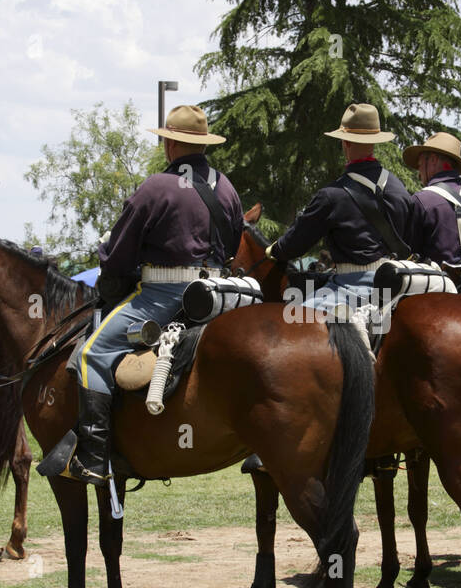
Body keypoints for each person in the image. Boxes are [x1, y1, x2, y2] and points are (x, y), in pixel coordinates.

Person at [63, 104, 244, 484]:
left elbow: (118, 256)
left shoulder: (156, 186)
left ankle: (95, 459)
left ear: (169, 145)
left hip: (163, 296)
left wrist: (108, 259)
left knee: (91, 355)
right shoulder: (226, 187)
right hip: (216, 295)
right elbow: (233, 244)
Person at [268, 103, 413, 312]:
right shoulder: (399, 188)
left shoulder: (332, 195)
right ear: (375, 141)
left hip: (351, 287)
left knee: (296, 319)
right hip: (397, 286)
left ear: (345, 142)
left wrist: (275, 249)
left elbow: (297, 244)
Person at [402, 131, 461, 269]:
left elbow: (409, 258)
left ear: (433, 159)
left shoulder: (421, 200)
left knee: (383, 289)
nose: (419, 172)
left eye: (420, 164)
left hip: (435, 288)